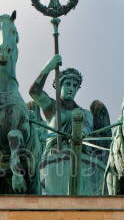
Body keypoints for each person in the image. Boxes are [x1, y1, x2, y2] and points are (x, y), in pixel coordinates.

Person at [29, 54, 94, 194]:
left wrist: (80, 134)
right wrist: (48, 67)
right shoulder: (51, 107)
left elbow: (87, 129)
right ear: (59, 85)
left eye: (75, 86)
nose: (71, 88)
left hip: (79, 160)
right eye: (67, 84)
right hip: (52, 160)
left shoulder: (85, 113)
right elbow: (34, 92)